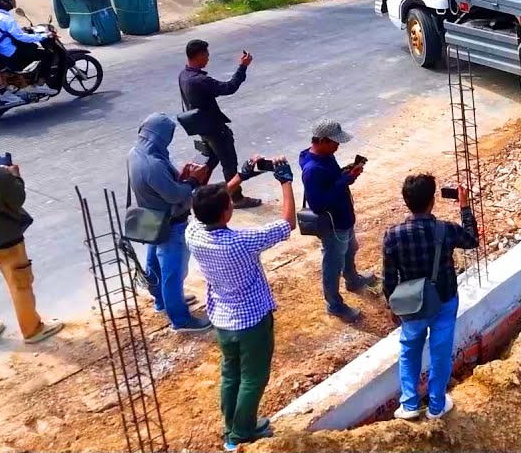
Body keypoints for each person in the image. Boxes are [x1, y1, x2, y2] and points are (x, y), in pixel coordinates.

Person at [185, 158, 296, 451]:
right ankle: (241, 433)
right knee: (253, 377)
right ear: (226, 212)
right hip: (252, 321)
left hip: (222, 318)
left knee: (230, 373)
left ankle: (230, 425)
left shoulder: (193, 233)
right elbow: (288, 224)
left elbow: (204, 209)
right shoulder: (242, 242)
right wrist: (285, 181)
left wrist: (240, 176)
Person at [386, 174, 479, 422]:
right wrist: (464, 206)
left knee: (409, 350)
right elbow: (472, 240)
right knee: (440, 352)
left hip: (412, 305)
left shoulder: (393, 235)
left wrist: (392, 306)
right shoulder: (446, 230)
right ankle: (436, 406)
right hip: (444, 299)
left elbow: (388, 279)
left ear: (406, 200)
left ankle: (409, 405)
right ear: (432, 201)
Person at [128, 113, 212, 332]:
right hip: (170, 221)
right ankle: (181, 320)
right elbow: (175, 196)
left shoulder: (135, 153)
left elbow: (159, 185)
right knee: (173, 273)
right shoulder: (153, 164)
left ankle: (162, 302)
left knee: (153, 263)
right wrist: (194, 181)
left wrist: (180, 175)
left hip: (150, 218)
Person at [299, 119, 377, 322]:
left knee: (351, 249)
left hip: (343, 219)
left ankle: (352, 279)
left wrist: (345, 173)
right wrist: (345, 180)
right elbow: (318, 204)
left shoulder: (325, 156)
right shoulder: (313, 170)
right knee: (332, 265)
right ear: (322, 140)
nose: (338, 146)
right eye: (335, 142)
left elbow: (331, 181)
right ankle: (334, 304)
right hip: (333, 226)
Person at [179, 39, 261, 208]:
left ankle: (195, 187)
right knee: (229, 162)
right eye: (206, 55)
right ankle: (236, 198)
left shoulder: (184, 75)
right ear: (199, 55)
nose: (208, 58)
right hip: (214, 128)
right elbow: (229, 87)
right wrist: (243, 66)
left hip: (201, 127)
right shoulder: (200, 81)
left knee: (212, 158)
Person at [0, 163, 65, 344]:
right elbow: (17, 198)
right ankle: (32, 329)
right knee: (20, 284)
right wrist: (14, 176)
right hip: (5, 240)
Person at [0, 0, 53, 99]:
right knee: (46, 54)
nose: (12, 1)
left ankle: (22, 82)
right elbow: (22, 37)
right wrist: (44, 36)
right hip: (10, 54)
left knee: (29, 48)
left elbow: (6, 32)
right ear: (3, 1)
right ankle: (38, 84)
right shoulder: (5, 19)